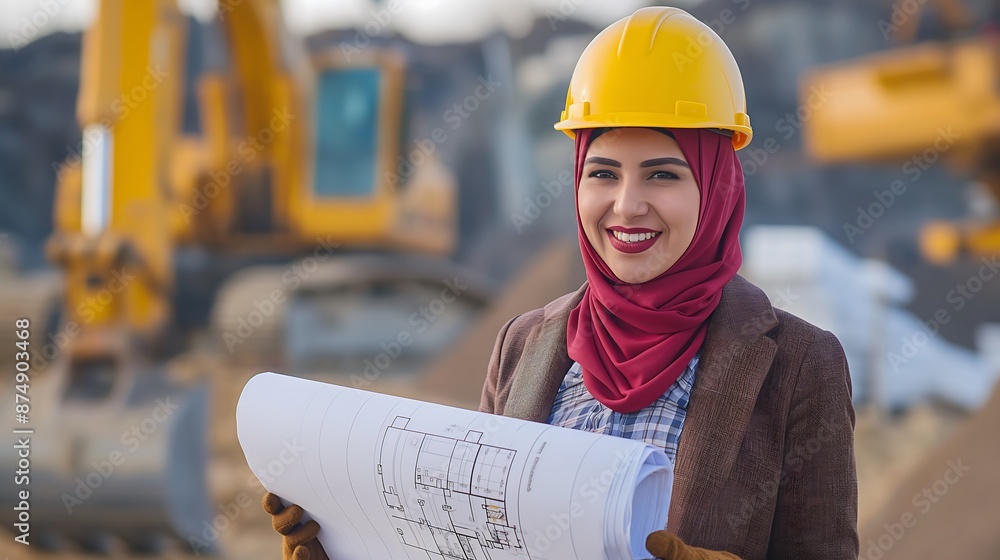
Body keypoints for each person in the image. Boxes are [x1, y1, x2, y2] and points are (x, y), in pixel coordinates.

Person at [262, 6, 858, 560]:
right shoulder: (522, 347)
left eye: (662, 175)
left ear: (717, 186)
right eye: (603, 173)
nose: (627, 205)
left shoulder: (801, 366)